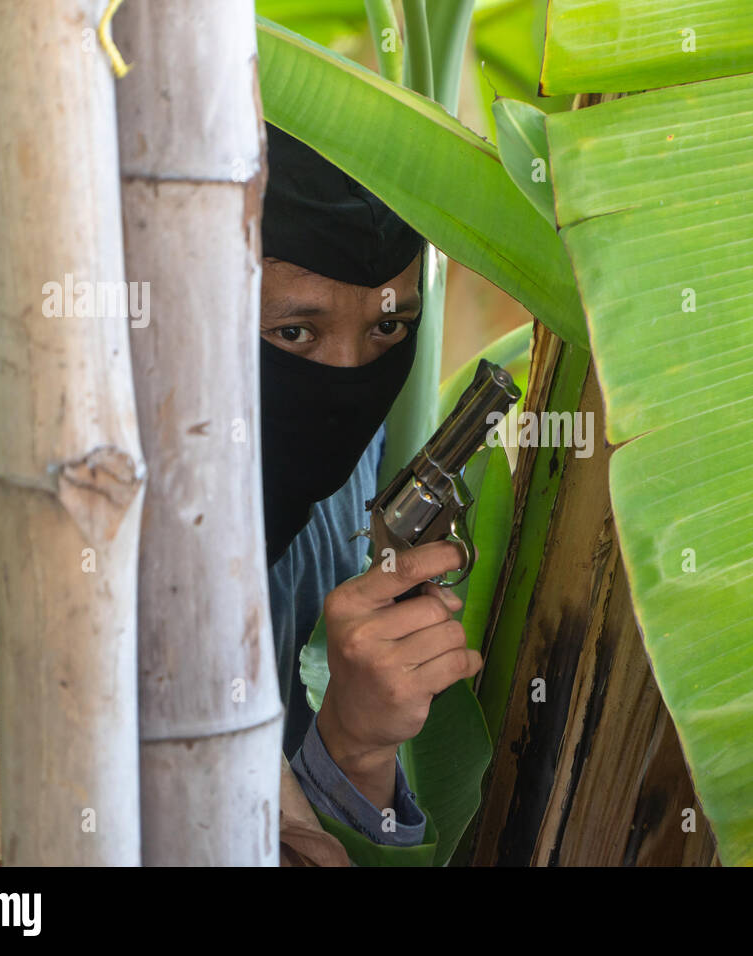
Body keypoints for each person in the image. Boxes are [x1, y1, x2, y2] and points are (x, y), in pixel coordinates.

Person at [258, 124, 482, 862]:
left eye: (388, 327)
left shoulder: (362, 468)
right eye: (295, 333)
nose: (349, 376)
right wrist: (350, 748)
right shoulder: (82, 545)